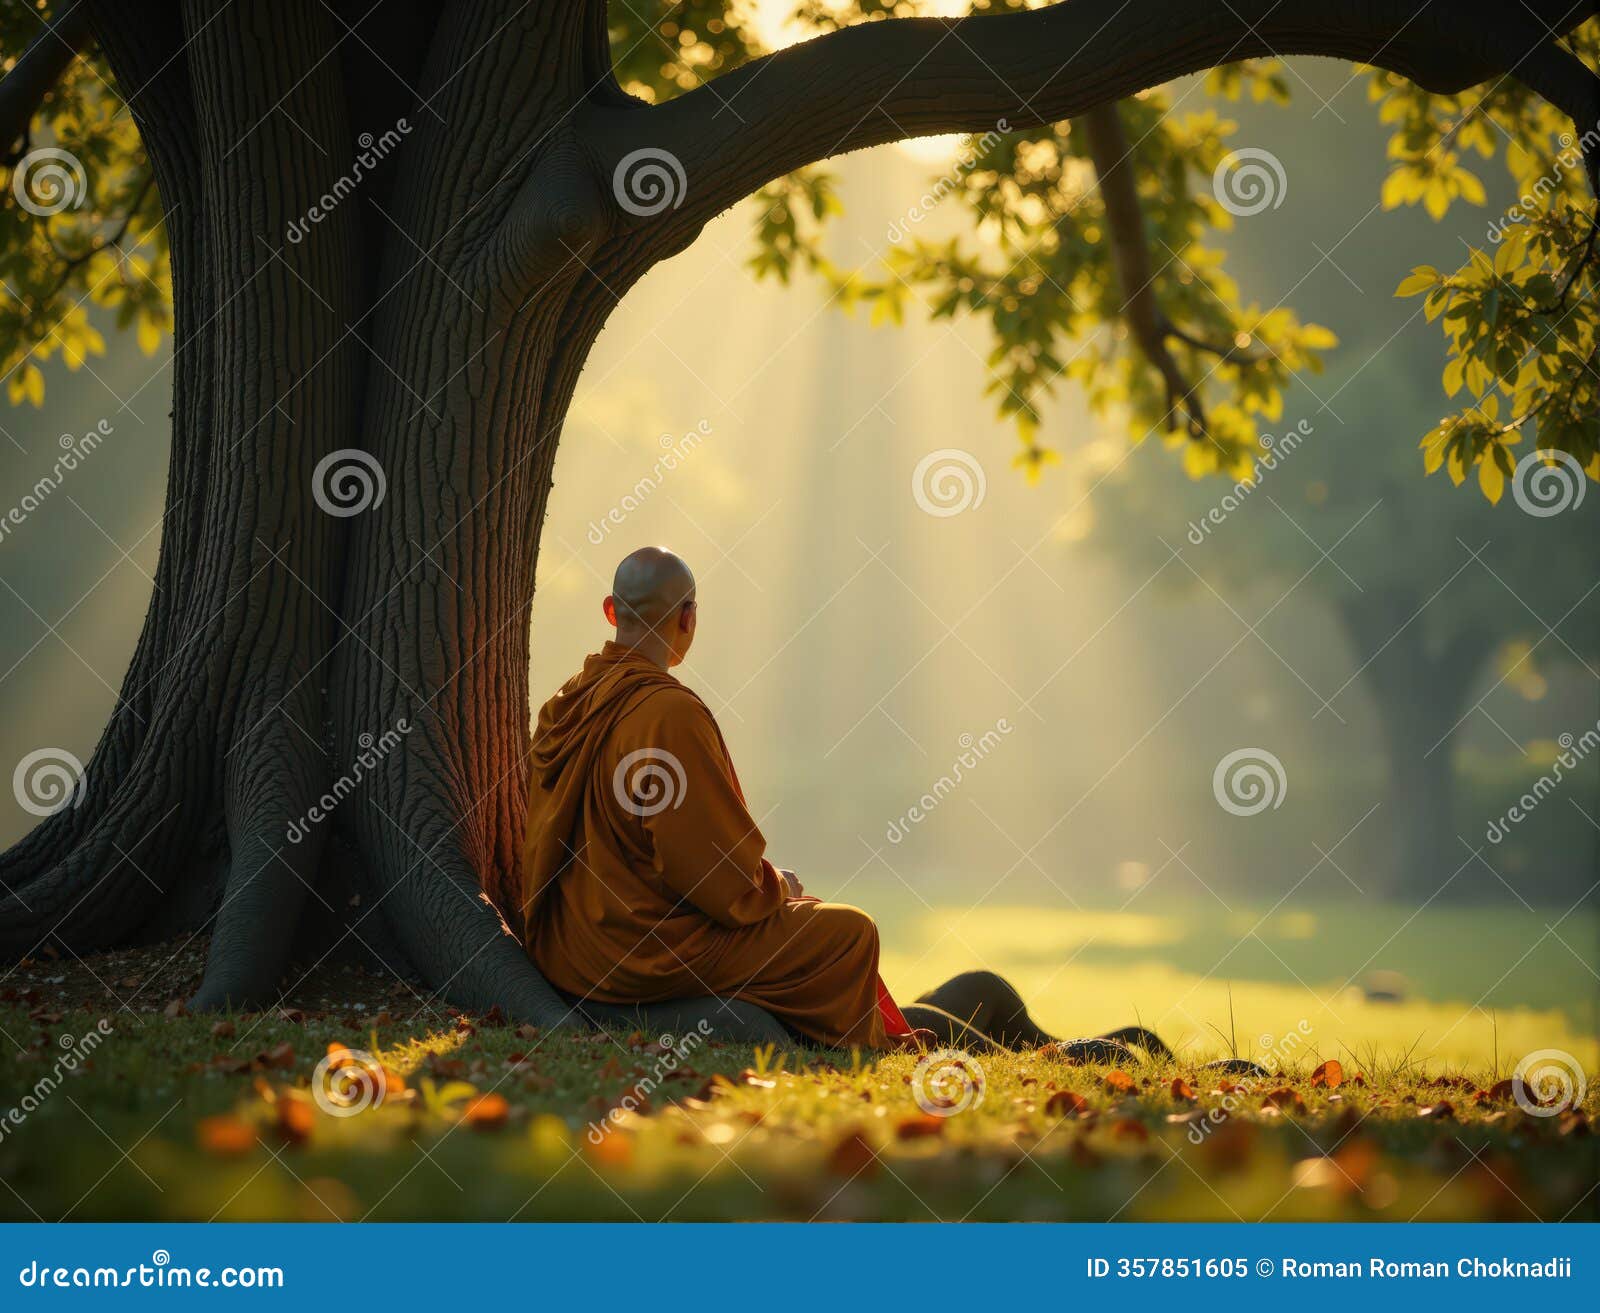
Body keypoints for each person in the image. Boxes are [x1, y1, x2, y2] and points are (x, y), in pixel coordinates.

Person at [509, 545, 1171, 1058]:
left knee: (851, 939)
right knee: (848, 931)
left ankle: (1009, 1041)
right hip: (639, 955)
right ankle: (866, 1043)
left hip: (572, 945)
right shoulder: (667, 713)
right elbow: (712, 876)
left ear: (609, 611)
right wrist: (774, 888)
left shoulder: (567, 704)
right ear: (688, 619)